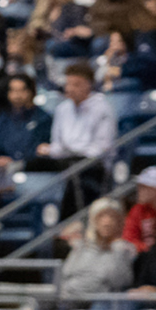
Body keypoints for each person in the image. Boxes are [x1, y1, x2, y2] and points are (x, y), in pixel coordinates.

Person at [42, 63, 117, 213]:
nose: (69, 89)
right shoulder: (62, 109)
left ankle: (66, 221)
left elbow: (102, 148)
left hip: (93, 165)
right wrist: (50, 150)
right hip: (65, 160)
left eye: (76, 84)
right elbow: (57, 143)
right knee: (35, 164)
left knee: (75, 172)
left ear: (88, 85)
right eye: (68, 84)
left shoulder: (102, 108)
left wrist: (70, 151)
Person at [0, 74, 50, 200]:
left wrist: (14, 160)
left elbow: (40, 151)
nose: (16, 95)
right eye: (12, 90)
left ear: (31, 92)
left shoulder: (43, 119)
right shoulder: (3, 118)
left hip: (24, 167)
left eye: (21, 90)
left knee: (9, 170)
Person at [125, 167, 156, 251]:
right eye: (139, 186)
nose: (139, 189)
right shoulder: (138, 210)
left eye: (144, 186)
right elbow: (129, 239)